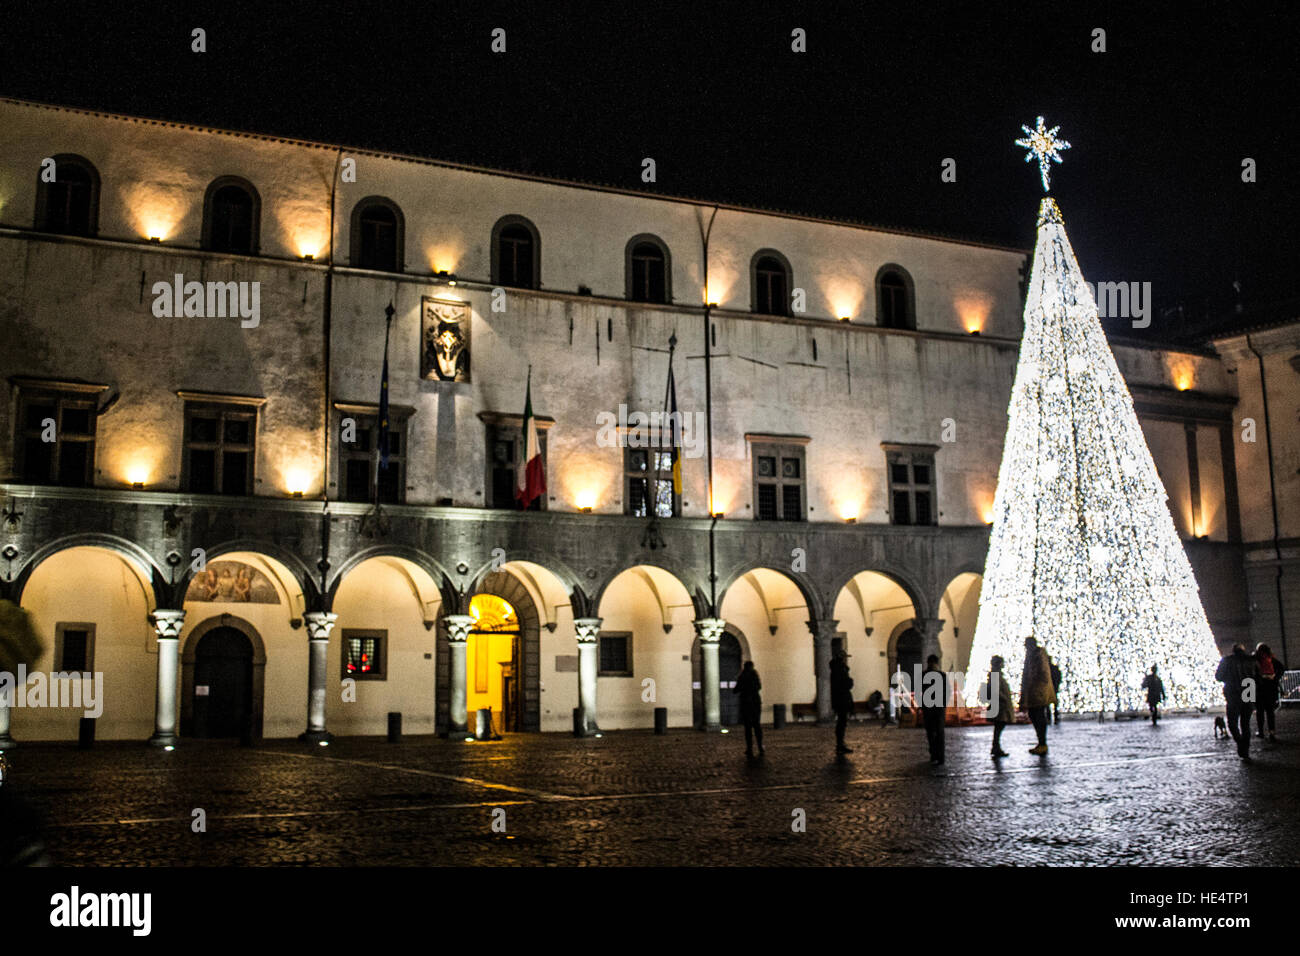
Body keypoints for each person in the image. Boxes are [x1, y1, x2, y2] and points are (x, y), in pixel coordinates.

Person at [1215, 643, 1259, 760]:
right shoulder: (1251, 660)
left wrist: (1229, 679)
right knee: (1245, 724)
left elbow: (1218, 677)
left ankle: (1240, 743)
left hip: (1233, 692)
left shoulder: (1227, 661)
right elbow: (1257, 677)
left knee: (1232, 723)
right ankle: (1246, 749)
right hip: (1248, 692)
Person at [1020, 636, 1056, 755]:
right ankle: (1041, 742)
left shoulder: (1038, 656)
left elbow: (1041, 674)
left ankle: (1042, 743)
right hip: (1033, 692)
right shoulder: (1031, 656)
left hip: (1038, 693)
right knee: (1034, 716)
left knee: (1039, 716)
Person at [920, 653, 947, 764]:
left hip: (928, 708)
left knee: (931, 732)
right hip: (939, 708)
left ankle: (934, 754)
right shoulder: (942, 675)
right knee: (939, 732)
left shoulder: (923, 675)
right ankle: (940, 756)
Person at [1254, 643, 1284, 743]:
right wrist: (1275, 677)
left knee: (1260, 711)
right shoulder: (1272, 659)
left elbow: (1252, 673)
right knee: (1270, 712)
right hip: (1271, 688)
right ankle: (1272, 731)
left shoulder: (1256, 659)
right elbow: (1281, 668)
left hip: (1260, 688)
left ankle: (1261, 731)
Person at [734, 660, 764, 757]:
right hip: (755, 703)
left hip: (746, 704)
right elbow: (759, 687)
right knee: (757, 726)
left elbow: (735, 690)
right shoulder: (754, 675)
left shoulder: (742, 676)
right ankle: (760, 747)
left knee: (748, 728)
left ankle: (749, 748)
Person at [829, 640, 854, 755]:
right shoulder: (840, 669)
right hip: (842, 699)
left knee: (842, 722)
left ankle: (840, 743)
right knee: (841, 722)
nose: (845, 659)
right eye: (844, 657)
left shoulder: (837, 668)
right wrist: (850, 681)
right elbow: (845, 684)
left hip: (840, 699)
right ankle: (840, 744)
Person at [986, 655, 1013, 758]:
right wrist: (1004, 698)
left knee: (999, 727)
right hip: (1000, 705)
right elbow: (996, 690)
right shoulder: (995, 675)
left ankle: (996, 747)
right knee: (999, 726)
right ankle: (996, 747)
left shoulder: (996, 675)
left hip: (1000, 704)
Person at [1049, 656, 1062, 724]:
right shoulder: (1054, 668)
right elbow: (1059, 676)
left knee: (1047, 703)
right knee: (1055, 702)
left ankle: (1049, 717)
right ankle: (1056, 716)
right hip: (1054, 687)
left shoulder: (1047, 669)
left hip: (1050, 687)